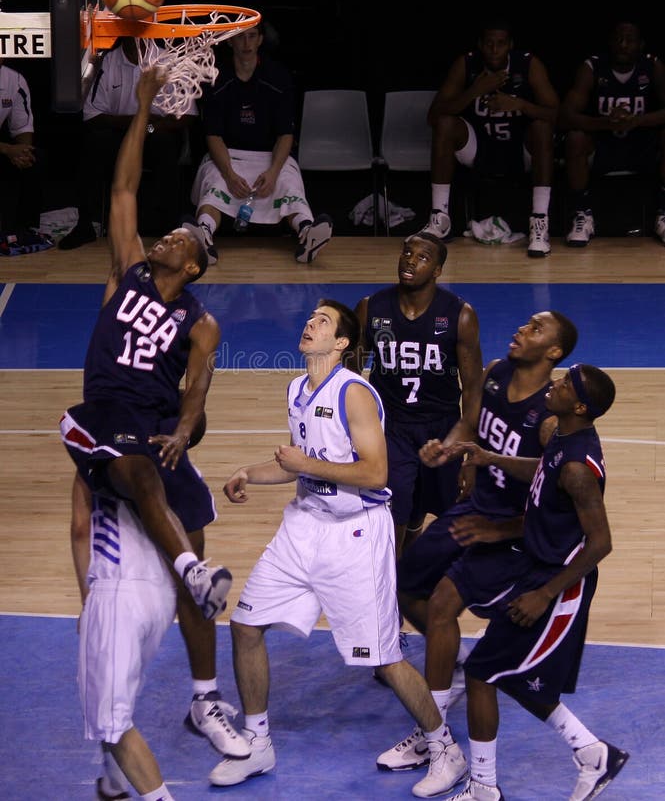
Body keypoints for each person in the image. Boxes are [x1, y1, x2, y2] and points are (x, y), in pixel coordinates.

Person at [210, 300, 453, 792]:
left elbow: (375, 473)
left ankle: (445, 749)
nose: (310, 323)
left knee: (384, 658)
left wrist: (305, 465)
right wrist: (249, 473)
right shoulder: (296, 389)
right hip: (304, 526)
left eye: (322, 321)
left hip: (356, 534)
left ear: (342, 342)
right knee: (245, 626)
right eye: (310, 318)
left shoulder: (354, 393)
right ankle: (258, 744)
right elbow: (298, 462)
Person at [60, 67, 232, 626]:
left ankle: (192, 599)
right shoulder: (127, 274)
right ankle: (92, 610)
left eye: (179, 239)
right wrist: (143, 107)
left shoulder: (200, 321)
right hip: (106, 413)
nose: (166, 238)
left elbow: (198, 386)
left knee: (181, 515)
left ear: (192, 266)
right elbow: (124, 188)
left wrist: (184, 429)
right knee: (82, 522)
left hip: (151, 420)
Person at [377, 310, 578, 784]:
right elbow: (469, 423)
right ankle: (448, 666)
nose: (521, 329)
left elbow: (557, 493)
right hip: (473, 508)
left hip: (512, 528)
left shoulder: (550, 418)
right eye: (525, 323)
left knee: (444, 605)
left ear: (554, 352)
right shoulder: (495, 373)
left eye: (535, 329)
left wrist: (504, 520)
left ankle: (434, 733)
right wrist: (449, 448)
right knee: (404, 586)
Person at [421, 364, 630, 800]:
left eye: (565, 385)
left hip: (558, 586)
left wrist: (544, 594)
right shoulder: (564, 439)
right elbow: (543, 469)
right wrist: (492, 458)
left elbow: (601, 543)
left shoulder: (577, 468)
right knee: (508, 675)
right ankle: (592, 753)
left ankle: (484, 787)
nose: (554, 384)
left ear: (579, 406)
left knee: (482, 673)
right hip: (537, 571)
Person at [70, 411, 249, 801]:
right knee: (115, 700)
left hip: (117, 594)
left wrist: (87, 601)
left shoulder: (98, 459)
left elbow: (81, 529)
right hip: (162, 597)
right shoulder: (179, 471)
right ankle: (113, 783)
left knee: (112, 721)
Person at [355, 231, 483, 557]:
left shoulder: (459, 315)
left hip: (441, 425)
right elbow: (349, 376)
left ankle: (416, 555)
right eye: (407, 253)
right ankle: (390, 575)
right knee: (393, 503)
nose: (410, 261)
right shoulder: (372, 308)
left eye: (422, 257)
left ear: (437, 270)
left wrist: (469, 453)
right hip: (390, 425)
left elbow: (472, 389)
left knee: (433, 507)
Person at [191, 23, 333, 264]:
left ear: (260, 40)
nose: (246, 43)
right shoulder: (216, 78)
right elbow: (213, 136)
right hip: (228, 156)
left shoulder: (278, 77)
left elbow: (285, 135)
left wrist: (273, 173)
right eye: (241, 37)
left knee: (288, 183)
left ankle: (307, 232)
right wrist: (229, 175)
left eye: (252, 36)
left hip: (269, 157)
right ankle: (203, 234)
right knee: (214, 182)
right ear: (230, 41)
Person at [424, 20, 559, 257]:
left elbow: (558, 115)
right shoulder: (466, 64)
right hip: (479, 147)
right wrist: (474, 91)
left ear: (510, 45)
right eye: (489, 44)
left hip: (519, 149)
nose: (494, 50)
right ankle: (440, 219)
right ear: (480, 45)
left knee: (542, 128)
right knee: (445, 124)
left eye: (501, 44)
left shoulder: (528, 64)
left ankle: (540, 222)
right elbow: (433, 116)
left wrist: (519, 104)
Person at [59, 37, 197, 250]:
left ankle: (169, 227)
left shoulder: (169, 60)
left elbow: (187, 115)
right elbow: (92, 115)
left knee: (165, 144)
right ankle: (85, 225)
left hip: (155, 133)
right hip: (120, 133)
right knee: (94, 142)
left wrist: (147, 127)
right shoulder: (106, 62)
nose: (137, 34)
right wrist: (137, 122)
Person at [560, 20, 665, 247]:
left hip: (641, 146)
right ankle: (582, 214)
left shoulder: (652, 65)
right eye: (618, 39)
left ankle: (663, 213)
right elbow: (566, 116)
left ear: (641, 44)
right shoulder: (592, 67)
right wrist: (606, 123)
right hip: (603, 146)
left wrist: (637, 121)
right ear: (610, 42)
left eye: (630, 40)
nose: (623, 45)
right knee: (575, 138)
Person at [0, 56, 49, 254]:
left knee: (36, 158)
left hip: (3, 147)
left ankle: (21, 229)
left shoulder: (14, 80)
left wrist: (23, 153)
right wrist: (7, 149)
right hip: (2, 147)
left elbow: (22, 127)